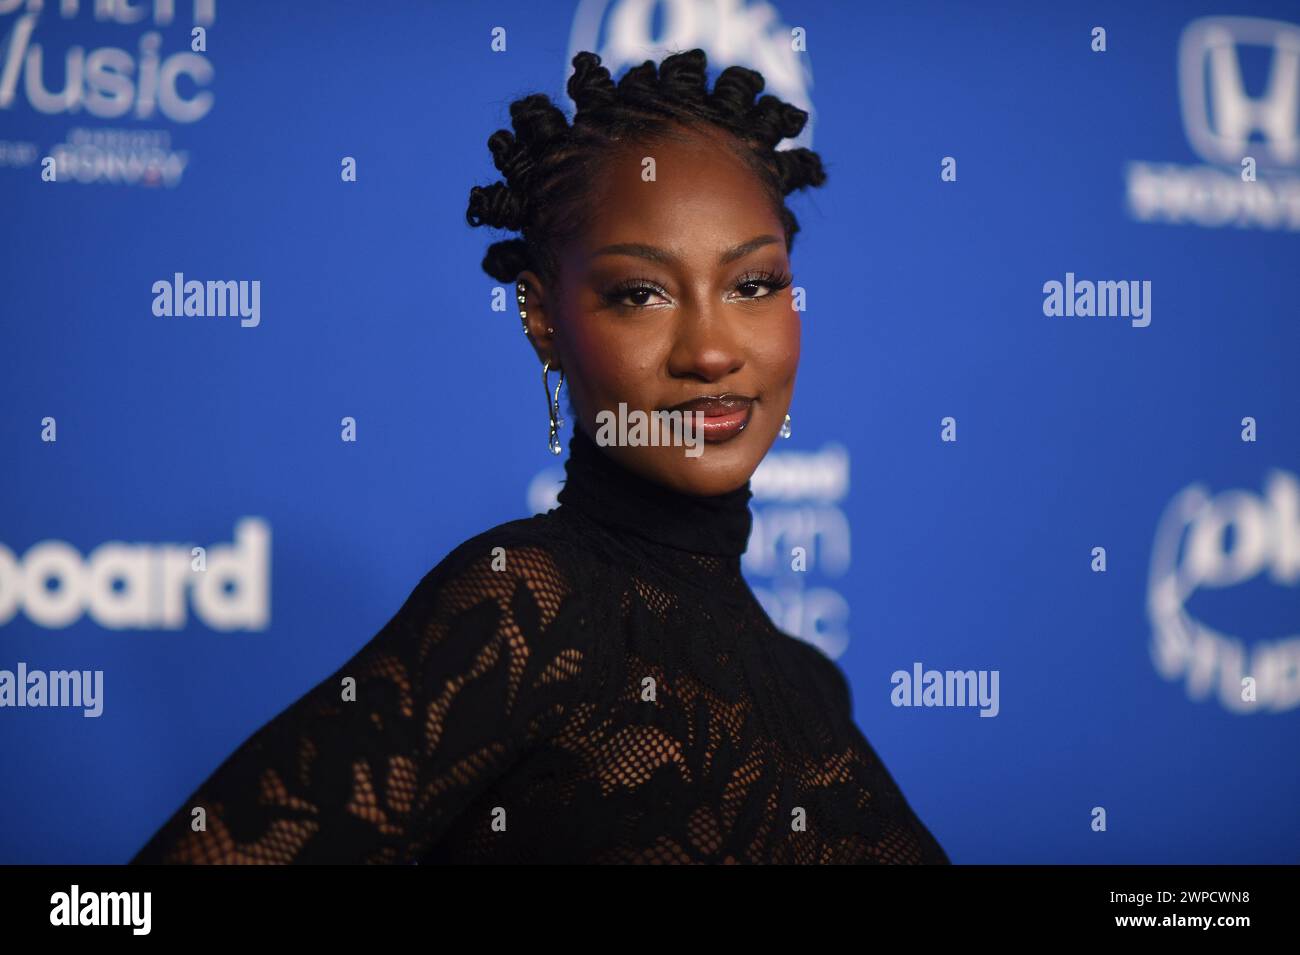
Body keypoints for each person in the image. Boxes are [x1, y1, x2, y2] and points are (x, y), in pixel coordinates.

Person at [130, 48, 949, 865]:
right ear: (542, 315)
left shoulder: (810, 685)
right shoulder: (527, 609)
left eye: (753, 284)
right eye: (641, 293)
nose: (710, 351)